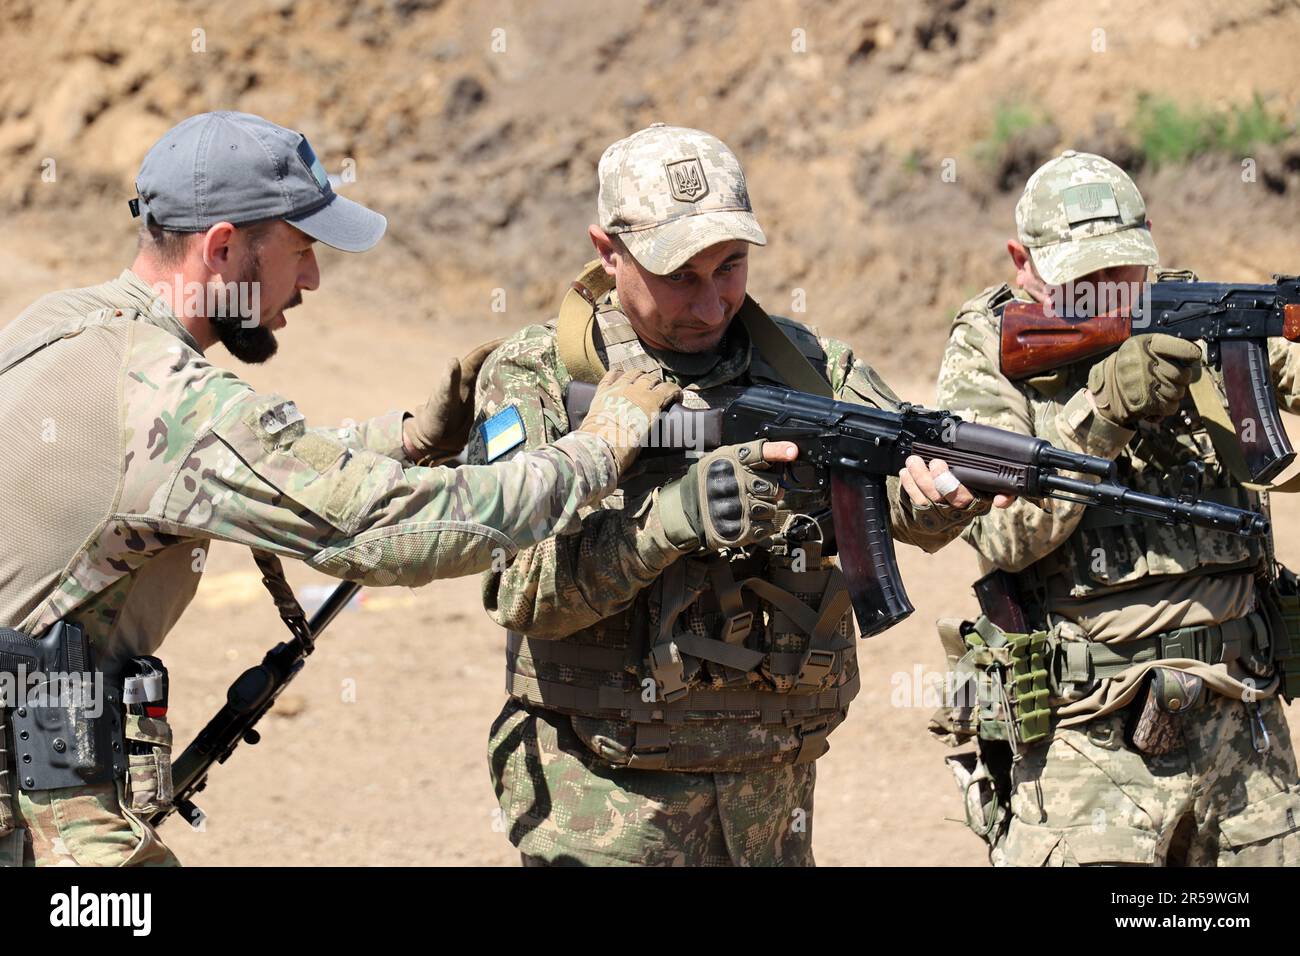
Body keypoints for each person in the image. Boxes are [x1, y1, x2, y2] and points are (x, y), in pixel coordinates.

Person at [0, 111, 678, 867]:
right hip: (34, 801)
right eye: (300, 250)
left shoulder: (62, 324)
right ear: (222, 247)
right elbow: (388, 533)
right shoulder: (166, 396)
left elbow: (249, 464)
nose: (313, 279)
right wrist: (597, 449)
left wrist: (412, 438)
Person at [469, 123, 1008, 866]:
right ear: (607, 252)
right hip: (611, 805)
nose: (712, 302)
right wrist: (672, 521)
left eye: (730, 267)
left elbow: (899, 499)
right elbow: (521, 590)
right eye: (679, 275)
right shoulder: (533, 378)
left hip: (772, 795)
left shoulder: (813, 368)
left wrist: (947, 493)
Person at [933, 149, 1300, 866]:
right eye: (1084, 279)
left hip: (1244, 727)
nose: (1108, 296)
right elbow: (1003, 537)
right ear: (1023, 261)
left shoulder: (1198, 315)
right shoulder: (986, 348)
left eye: (1122, 272)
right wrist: (1101, 413)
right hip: (1084, 743)